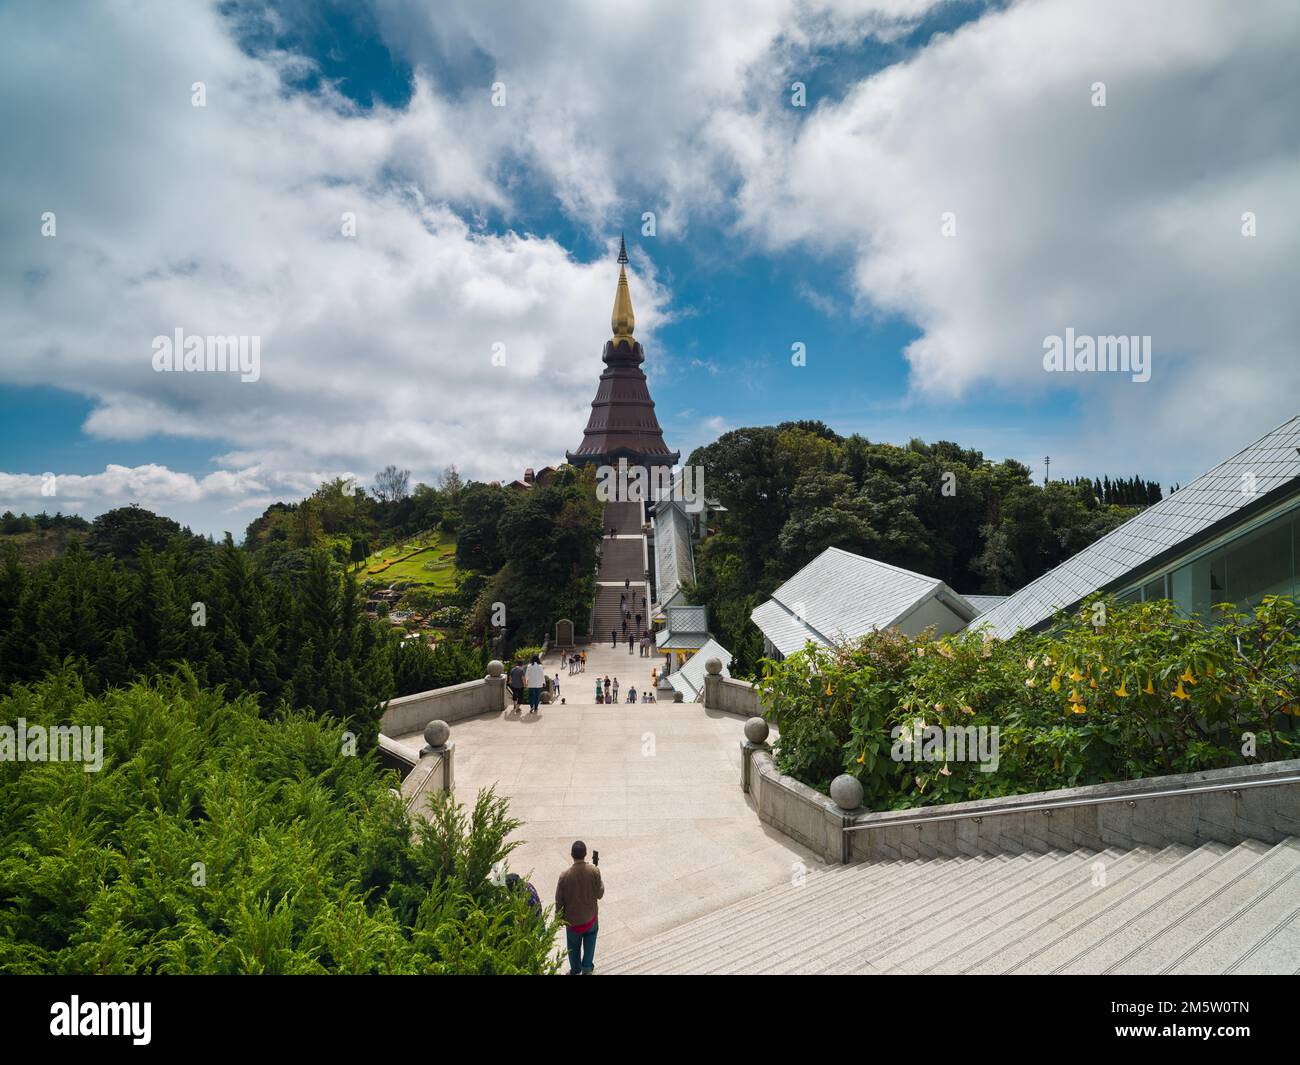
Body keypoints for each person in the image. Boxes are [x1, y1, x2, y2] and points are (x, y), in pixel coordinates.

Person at [555, 840, 604, 975]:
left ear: (571, 855)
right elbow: (600, 894)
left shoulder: (564, 876)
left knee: (573, 946)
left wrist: (558, 919)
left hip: (573, 922)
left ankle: (575, 970)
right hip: (591, 919)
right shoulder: (594, 871)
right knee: (590, 944)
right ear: (585, 854)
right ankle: (587, 969)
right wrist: (600, 879)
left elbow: (559, 901)